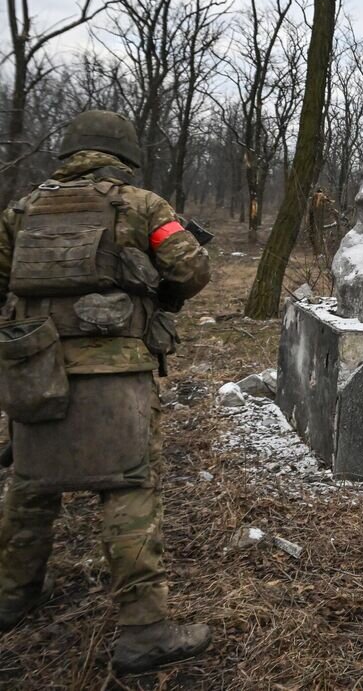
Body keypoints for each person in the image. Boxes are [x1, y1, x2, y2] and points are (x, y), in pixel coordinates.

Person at [0, 110, 212, 673]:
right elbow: (190, 270)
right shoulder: (143, 206)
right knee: (128, 488)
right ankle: (144, 632)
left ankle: (11, 595)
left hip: (35, 370)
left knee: (31, 482)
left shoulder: (21, 211)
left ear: (68, 152)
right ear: (125, 153)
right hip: (115, 373)